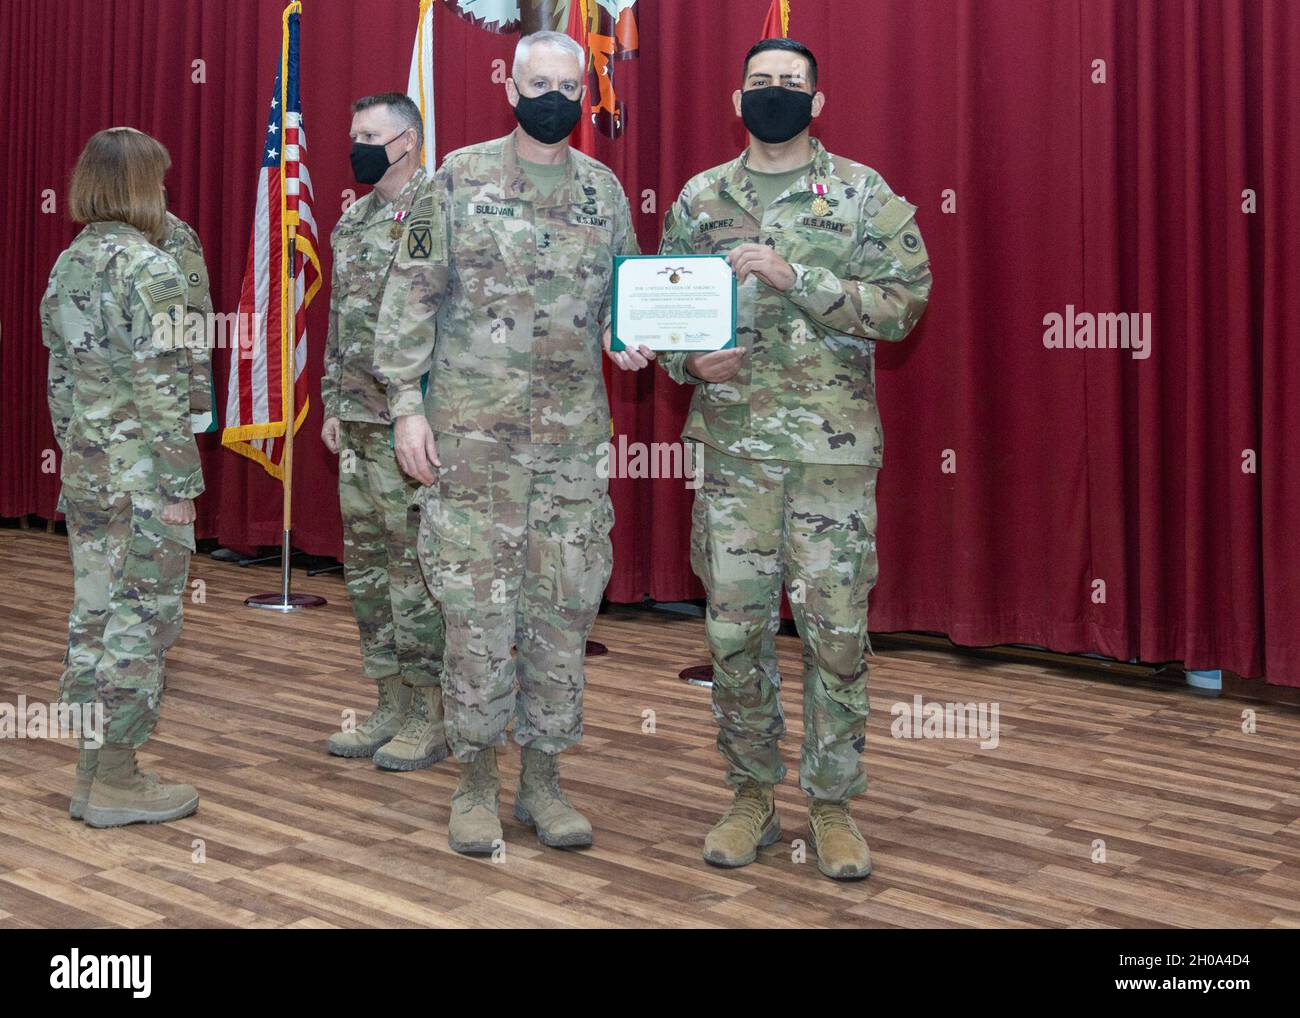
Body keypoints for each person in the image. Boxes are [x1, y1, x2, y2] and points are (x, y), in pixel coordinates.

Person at [655, 39, 932, 879]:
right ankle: (751, 796)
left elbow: (905, 304)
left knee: (835, 635)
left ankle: (834, 805)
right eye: (760, 84)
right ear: (737, 99)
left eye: (791, 85)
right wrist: (687, 364)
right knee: (733, 633)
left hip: (830, 459)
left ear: (817, 104)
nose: (774, 95)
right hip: (735, 454)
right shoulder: (700, 198)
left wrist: (796, 277)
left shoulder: (862, 194)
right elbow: (662, 313)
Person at [374, 30, 646, 855]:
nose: (555, 95)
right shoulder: (457, 178)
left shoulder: (604, 192)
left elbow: (625, 297)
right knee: (476, 615)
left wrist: (630, 337)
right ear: (512, 87)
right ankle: (474, 781)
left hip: (568, 449)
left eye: (569, 83)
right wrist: (403, 406)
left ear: (583, 90)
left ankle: (544, 781)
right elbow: (411, 295)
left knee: (563, 610)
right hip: (472, 444)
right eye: (540, 81)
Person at [40, 126, 204, 828]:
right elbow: (163, 390)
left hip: (88, 471)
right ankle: (117, 778)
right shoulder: (150, 268)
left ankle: (89, 769)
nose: (165, 193)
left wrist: (79, 451)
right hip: (143, 480)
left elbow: (58, 380)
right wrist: (180, 488)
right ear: (139, 188)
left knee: (95, 616)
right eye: (159, 181)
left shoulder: (68, 264)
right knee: (142, 622)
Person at [321, 93, 448, 771]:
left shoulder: (442, 208)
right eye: (354, 133)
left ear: (409, 140)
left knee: (414, 572)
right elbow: (340, 322)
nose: (359, 145)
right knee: (368, 571)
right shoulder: (354, 221)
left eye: (371, 134)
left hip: (412, 424)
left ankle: (432, 712)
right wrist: (331, 402)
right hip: (360, 420)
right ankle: (389, 699)